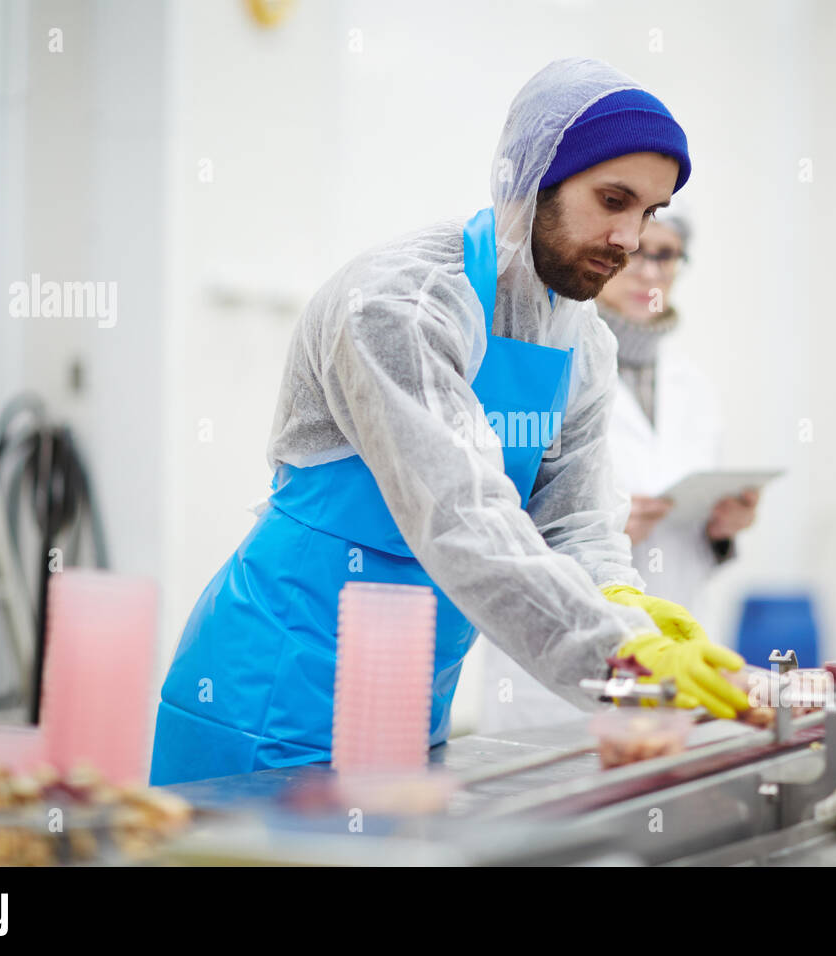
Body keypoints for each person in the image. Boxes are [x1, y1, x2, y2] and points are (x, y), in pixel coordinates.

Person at [148, 58, 750, 786]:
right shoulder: (402, 305)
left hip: (408, 695)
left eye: (649, 213)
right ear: (532, 179)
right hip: (272, 689)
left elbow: (576, 525)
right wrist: (620, 659)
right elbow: (458, 515)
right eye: (613, 198)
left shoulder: (582, 343)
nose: (629, 238)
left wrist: (623, 605)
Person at [477, 211, 759, 733]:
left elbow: (698, 543)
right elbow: (492, 514)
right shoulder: (548, 365)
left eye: (666, 254)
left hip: (678, 646)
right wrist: (596, 533)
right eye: (638, 252)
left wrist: (721, 531)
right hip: (562, 661)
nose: (649, 272)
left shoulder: (695, 387)